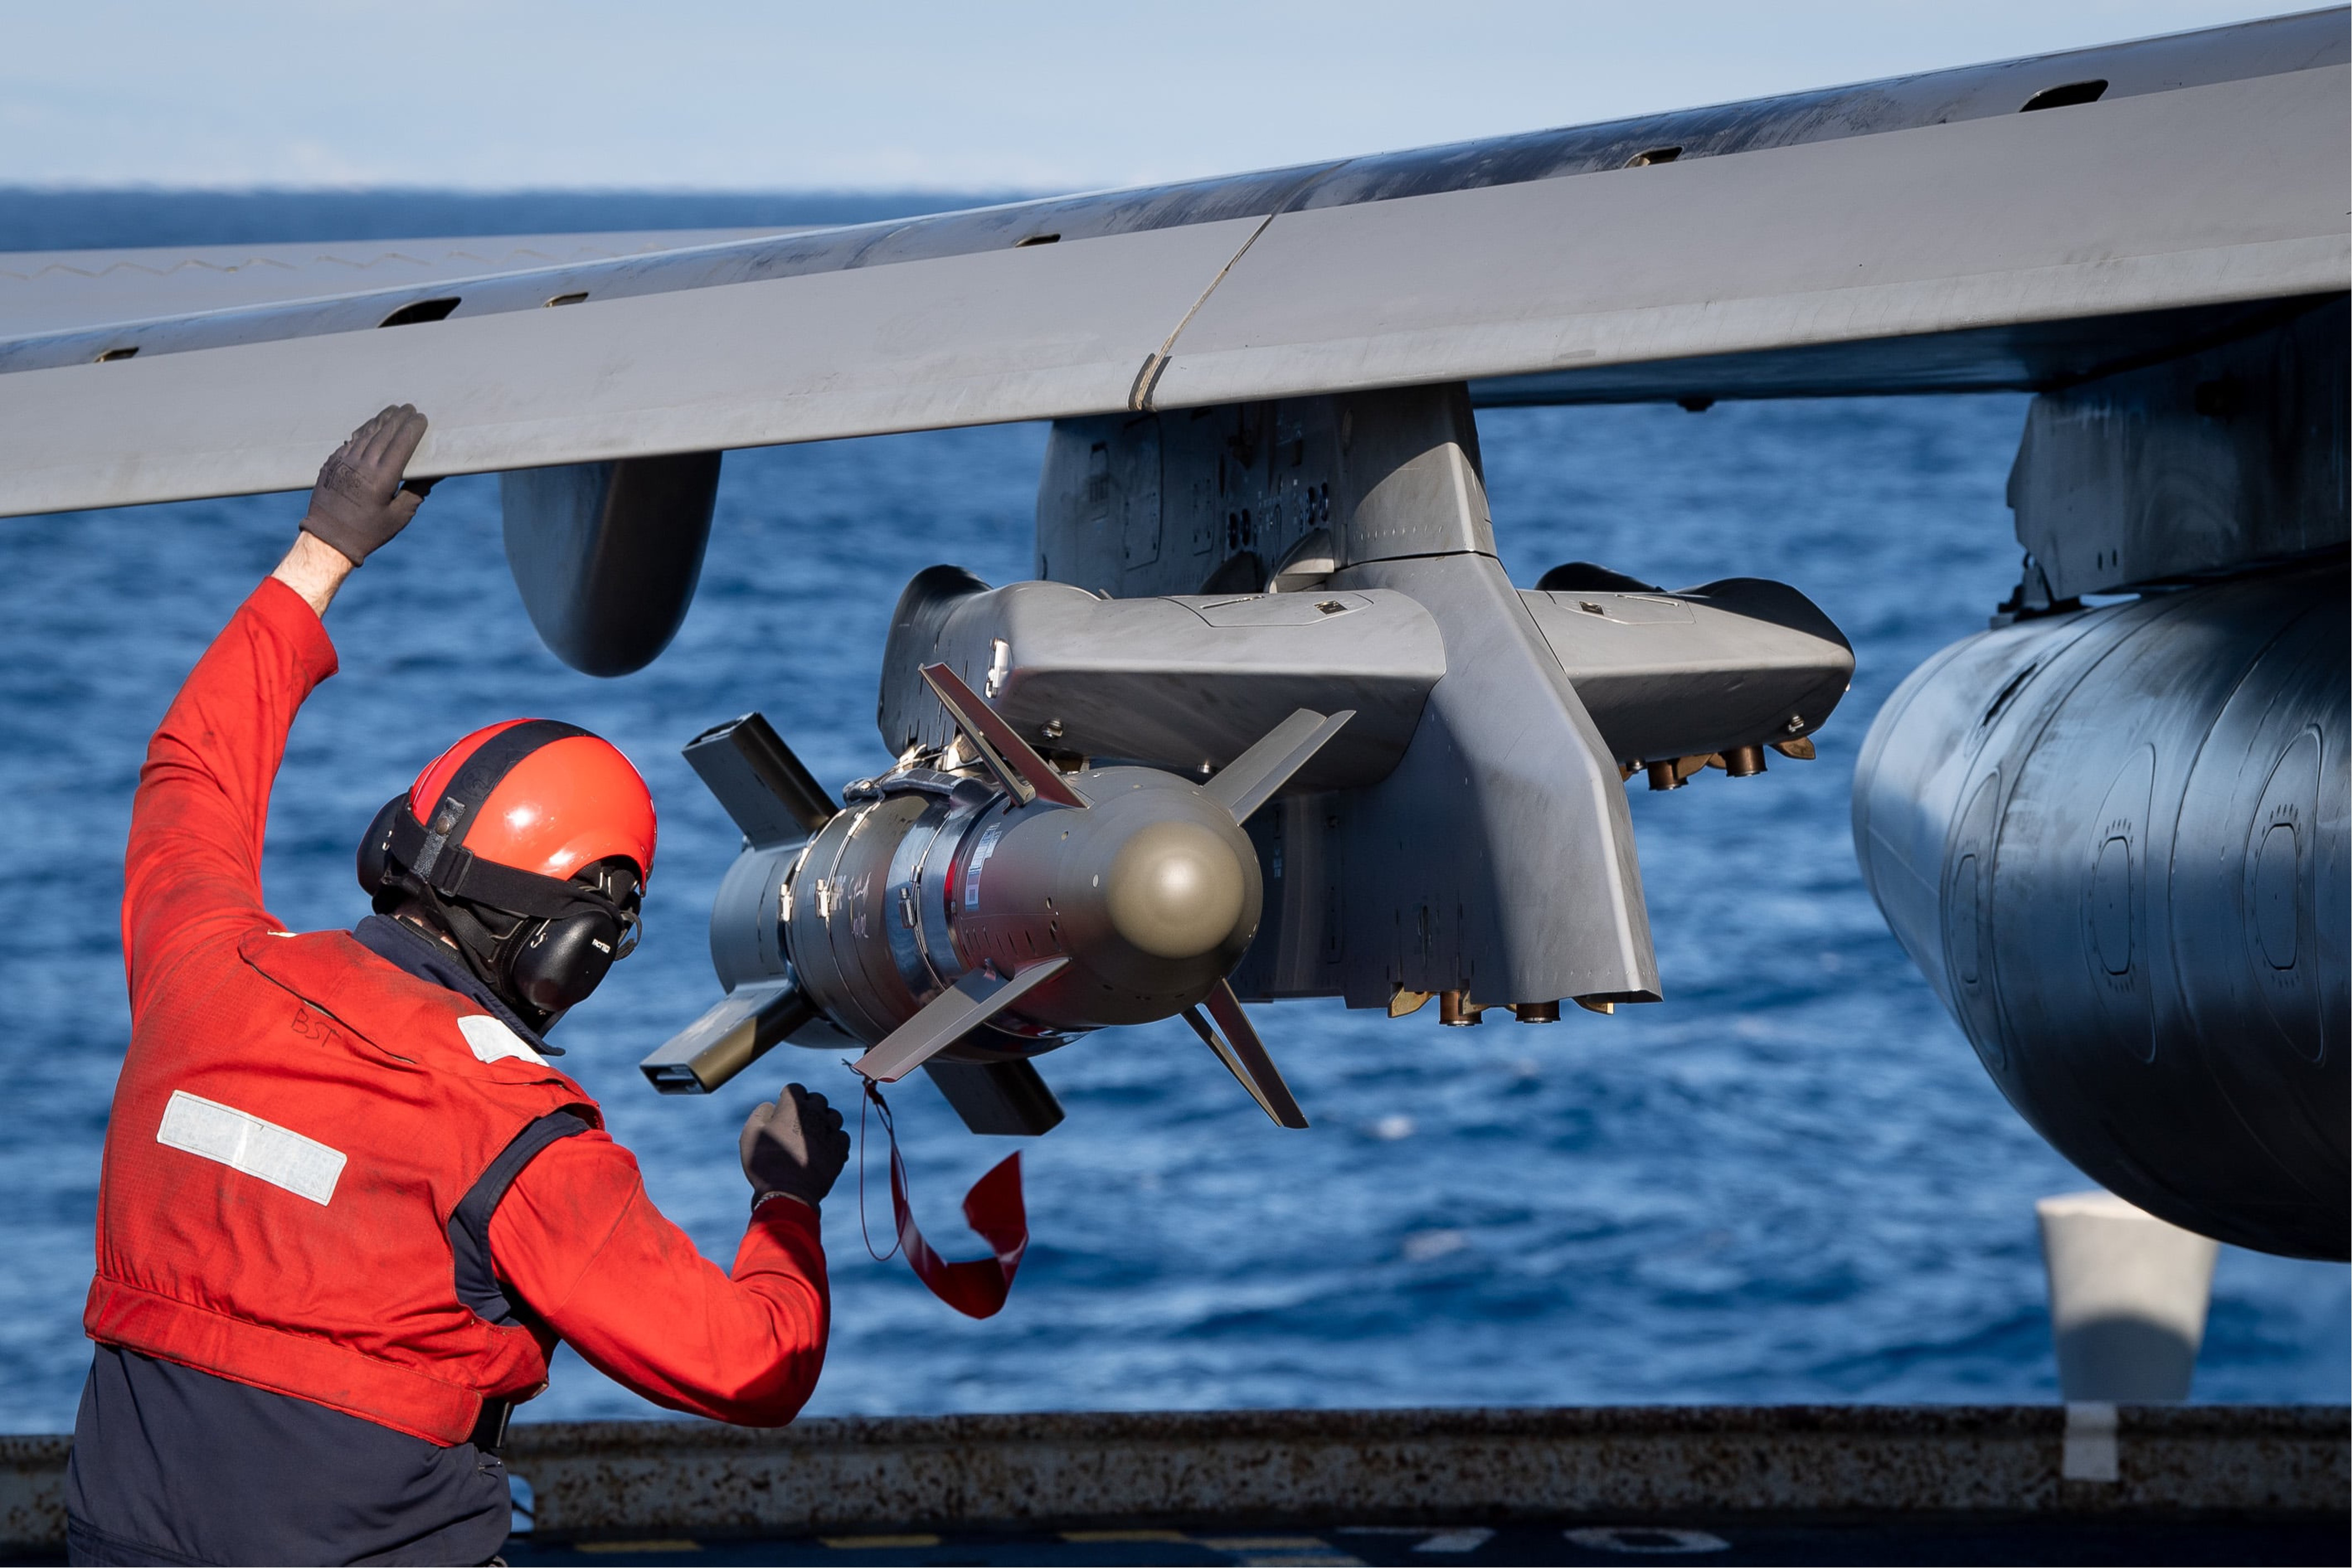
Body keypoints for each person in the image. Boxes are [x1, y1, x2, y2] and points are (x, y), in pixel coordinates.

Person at [65, 406, 852, 1567]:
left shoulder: (203, 970)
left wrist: (321, 549)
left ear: (401, 845)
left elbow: (194, 767)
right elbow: (751, 1361)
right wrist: (786, 1198)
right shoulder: (511, 1132)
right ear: (567, 947)